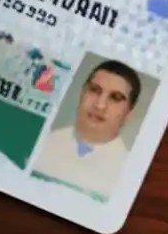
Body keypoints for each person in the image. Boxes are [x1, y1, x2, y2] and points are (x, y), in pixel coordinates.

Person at [30, 59, 142, 201]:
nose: (100, 105)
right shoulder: (43, 142)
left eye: (115, 98)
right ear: (82, 93)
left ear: (129, 113)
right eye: (95, 90)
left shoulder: (127, 174)